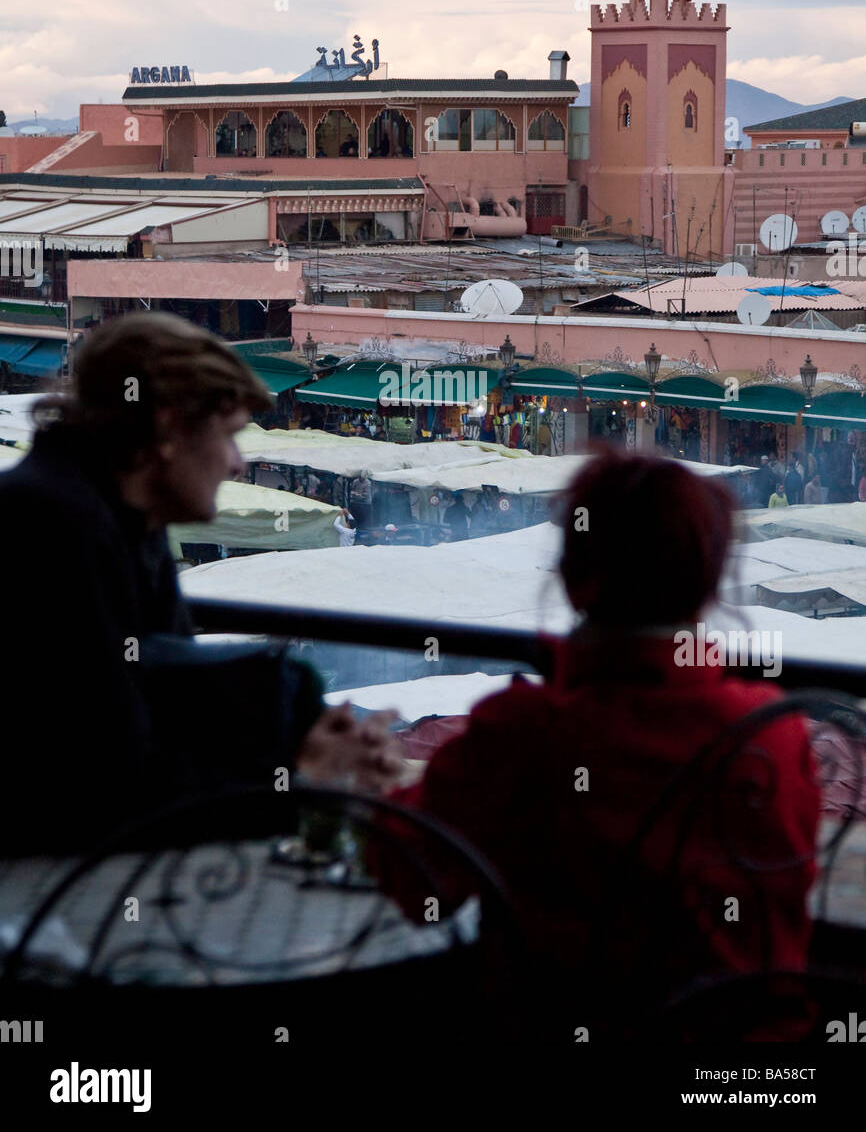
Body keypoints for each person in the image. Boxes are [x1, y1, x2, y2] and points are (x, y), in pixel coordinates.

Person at [379, 450, 819, 1035]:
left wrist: (375, 787)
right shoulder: (773, 731)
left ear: (571, 577)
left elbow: (414, 882)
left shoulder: (521, 731)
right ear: (708, 582)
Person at [0, 314, 400, 855]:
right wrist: (300, 775)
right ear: (168, 430)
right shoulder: (51, 526)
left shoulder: (122, 520)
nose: (238, 464)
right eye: (229, 436)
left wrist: (305, 729)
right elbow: (97, 785)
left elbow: (168, 702)